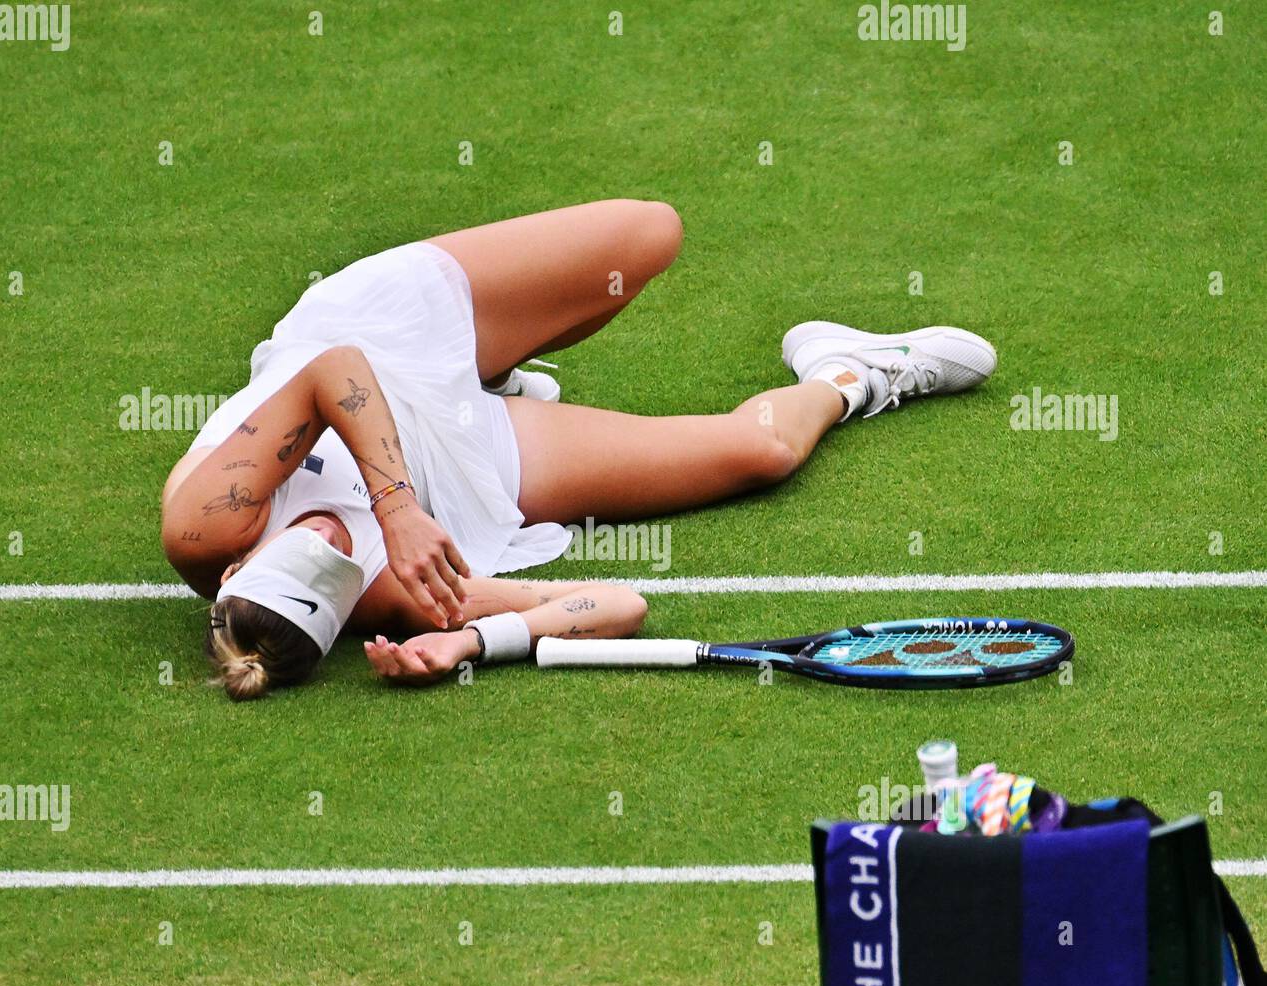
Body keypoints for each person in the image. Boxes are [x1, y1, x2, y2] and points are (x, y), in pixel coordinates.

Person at [160, 199, 996, 698]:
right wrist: (467, 641)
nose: (336, 542)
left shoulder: (207, 526)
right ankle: (856, 372)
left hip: (387, 337)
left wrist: (395, 510)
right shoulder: (391, 595)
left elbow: (333, 370)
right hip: (469, 456)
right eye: (340, 568)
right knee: (762, 452)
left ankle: (496, 362)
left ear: (235, 570)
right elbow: (615, 603)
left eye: (308, 543)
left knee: (648, 235)